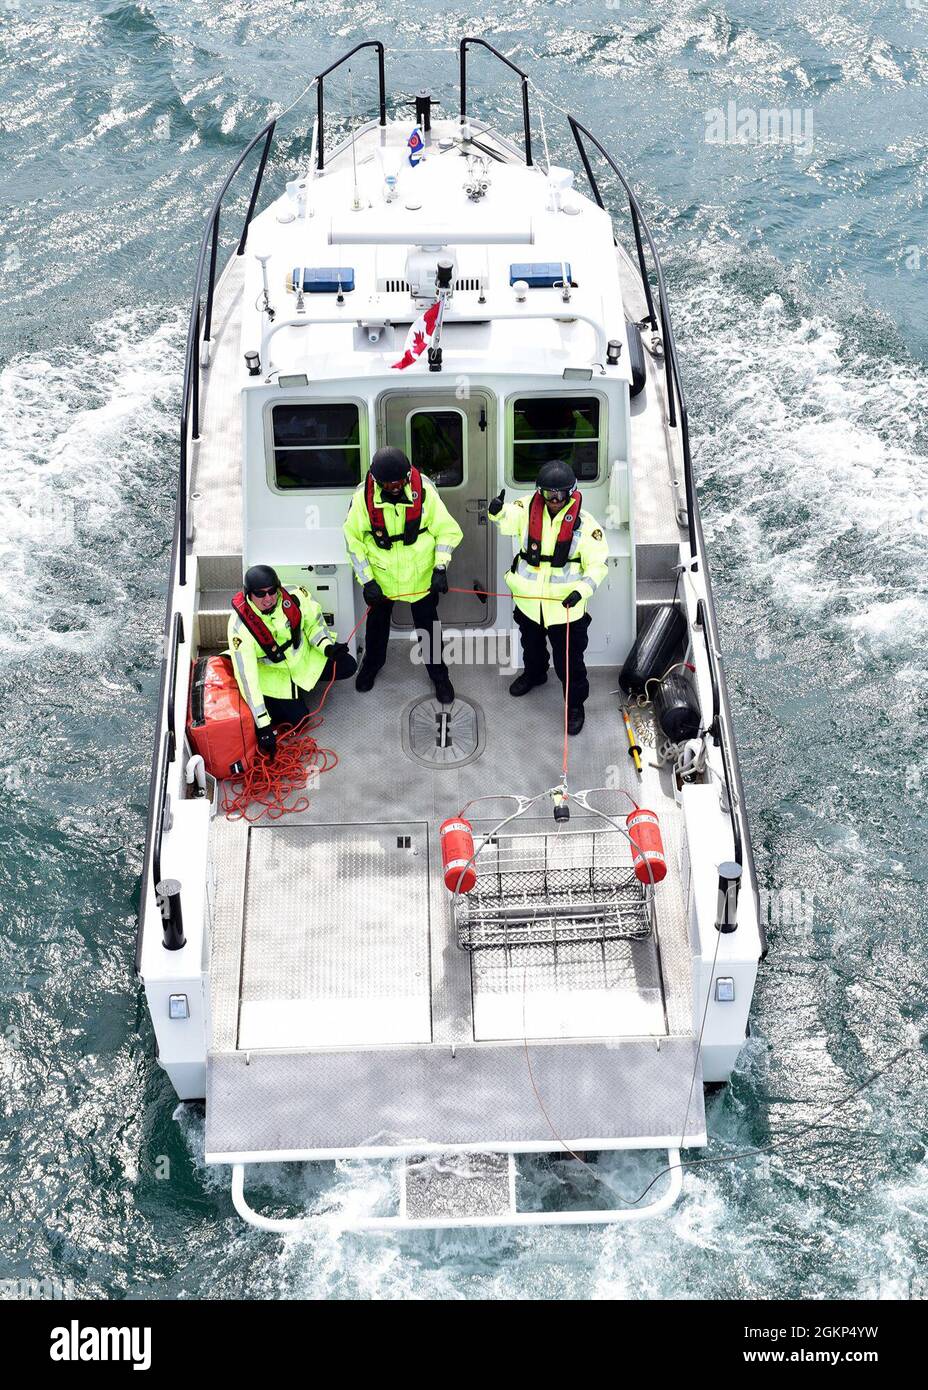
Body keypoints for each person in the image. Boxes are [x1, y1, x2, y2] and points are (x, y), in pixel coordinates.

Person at [488, 460, 608, 735]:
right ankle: (535, 674)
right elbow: (507, 519)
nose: (554, 500)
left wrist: (582, 591)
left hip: (566, 610)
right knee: (531, 646)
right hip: (530, 604)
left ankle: (575, 706)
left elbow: (598, 566)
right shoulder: (526, 509)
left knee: (570, 663)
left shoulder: (587, 526)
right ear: (540, 493)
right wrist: (495, 512)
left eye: (560, 495)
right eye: (548, 494)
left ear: (571, 492)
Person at [343, 446, 462, 703]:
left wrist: (440, 567)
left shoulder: (425, 493)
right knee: (376, 627)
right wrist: (367, 581)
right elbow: (353, 541)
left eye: (399, 481)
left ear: (408, 476)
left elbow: (448, 530)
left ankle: (439, 675)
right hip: (382, 579)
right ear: (377, 480)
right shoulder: (362, 500)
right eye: (389, 483)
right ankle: (372, 666)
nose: (395, 487)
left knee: (429, 628)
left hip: (419, 575)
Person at [227, 564, 356, 760]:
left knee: (348, 665)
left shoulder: (295, 596)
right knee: (300, 722)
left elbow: (314, 625)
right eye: (260, 594)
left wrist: (327, 647)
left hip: (304, 662)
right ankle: (275, 707)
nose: (268, 598)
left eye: (272, 591)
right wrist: (263, 727)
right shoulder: (239, 628)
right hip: (276, 680)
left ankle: (300, 693)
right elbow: (248, 679)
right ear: (248, 594)